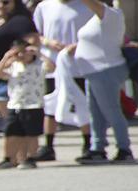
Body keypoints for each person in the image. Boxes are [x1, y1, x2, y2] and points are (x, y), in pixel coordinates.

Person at [67, 0, 132, 163]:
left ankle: (124, 149)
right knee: (95, 113)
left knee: (111, 111)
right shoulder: (96, 19)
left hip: (106, 70)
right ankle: (98, 148)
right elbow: (98, 40)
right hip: (93, 71)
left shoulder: (111, 14)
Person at [31, 0, 93, 161]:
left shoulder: (87, 6)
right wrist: (48, 42)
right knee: (50, 106)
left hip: (78, 65)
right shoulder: (44, 6)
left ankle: (88, 144)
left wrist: (79, 45)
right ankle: (48, 146)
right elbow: (35, 34)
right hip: (52, 65)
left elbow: (98, 32)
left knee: (82, 105)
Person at [0, 0, 37, 138]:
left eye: (5, 2)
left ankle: (22, 152)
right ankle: (14, 152)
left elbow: (33, 44)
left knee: (14, 120)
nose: (0, 5)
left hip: (5, 77)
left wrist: (13, 59)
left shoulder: (21, 21)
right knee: (10, 120)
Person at [0, 37, 51, 169]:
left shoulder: (39, 65)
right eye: (17, 53)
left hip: (33, 105)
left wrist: (39, 53)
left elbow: (52, 67)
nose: (21, 56)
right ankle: (8, 158)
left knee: (31, 134)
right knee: (11, 133)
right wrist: (7, 57)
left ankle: (30, 158)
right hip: (15, 104)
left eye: (24, 52)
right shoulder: (13, 66)